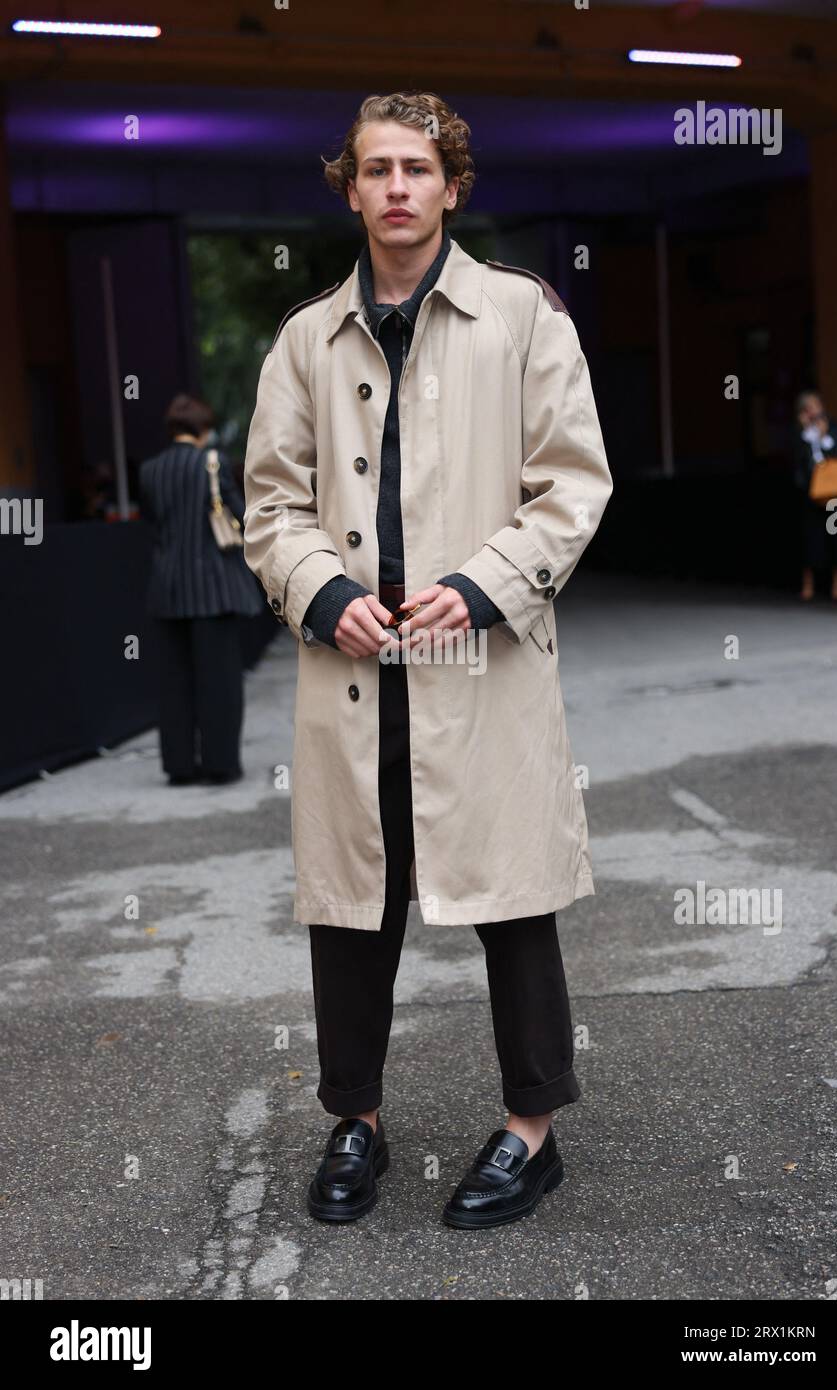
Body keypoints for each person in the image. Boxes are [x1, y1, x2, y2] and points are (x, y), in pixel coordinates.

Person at [242, 91, 614, 1229]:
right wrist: (326, 593)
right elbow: (268, 503)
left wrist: (479, 586)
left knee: (512, 897)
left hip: (480, 660)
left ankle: (529, 1131)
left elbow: (572, 484)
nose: (395, 186)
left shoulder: (521, 316)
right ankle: (354, 1122)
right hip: (353, 665)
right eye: (374, 168)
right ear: (348, 188)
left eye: (417, 167)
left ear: (453, 186)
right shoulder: (306, 336)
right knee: (353, 908)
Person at [138, 393, 263, 785]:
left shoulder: (149, 470)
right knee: (219, 681)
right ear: (203, 428)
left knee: (174, 682)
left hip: (167, 589)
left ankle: (179, 767)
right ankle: (220, 764)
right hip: (212, 588)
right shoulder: (213, 462)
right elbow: (240, 516)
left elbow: (154, 525)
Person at [791, 390, 837, 603]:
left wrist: (824, 435)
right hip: (811, 492)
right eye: (807, 408)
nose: (813, 411)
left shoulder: (832, 427)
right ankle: (808, 584)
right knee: (810, 538)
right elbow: (797, 460)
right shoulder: (800, 433)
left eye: (815, 406)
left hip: (834, 492)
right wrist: (805, 431)